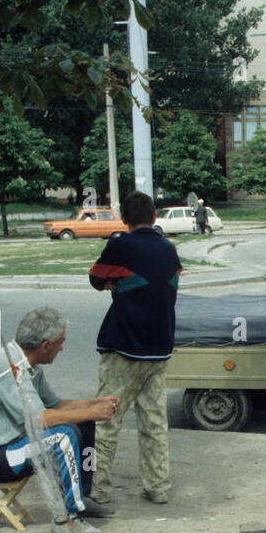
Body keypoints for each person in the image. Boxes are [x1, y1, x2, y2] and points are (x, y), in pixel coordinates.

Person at [0, 308, 119, 533]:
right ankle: (66, 519)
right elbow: (40, 419)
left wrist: (93, 404)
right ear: (45, 346)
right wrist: (89, 411)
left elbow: (56, 405)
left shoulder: (27, 363)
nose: (62, 348)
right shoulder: (9, 367)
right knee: (63, 436)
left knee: (85, 422)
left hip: (17, 443)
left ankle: (82, 495)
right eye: (61, 342)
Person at [88, 190, 182, 506]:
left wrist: (115, 284)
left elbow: (95, 278)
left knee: (105, 421)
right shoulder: (169, 249)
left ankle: (97, 488)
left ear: (124, 219)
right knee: (154, 423)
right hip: (159, 349)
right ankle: (158, 486)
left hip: (123, 348)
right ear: (154, 217)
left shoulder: (120, 246)